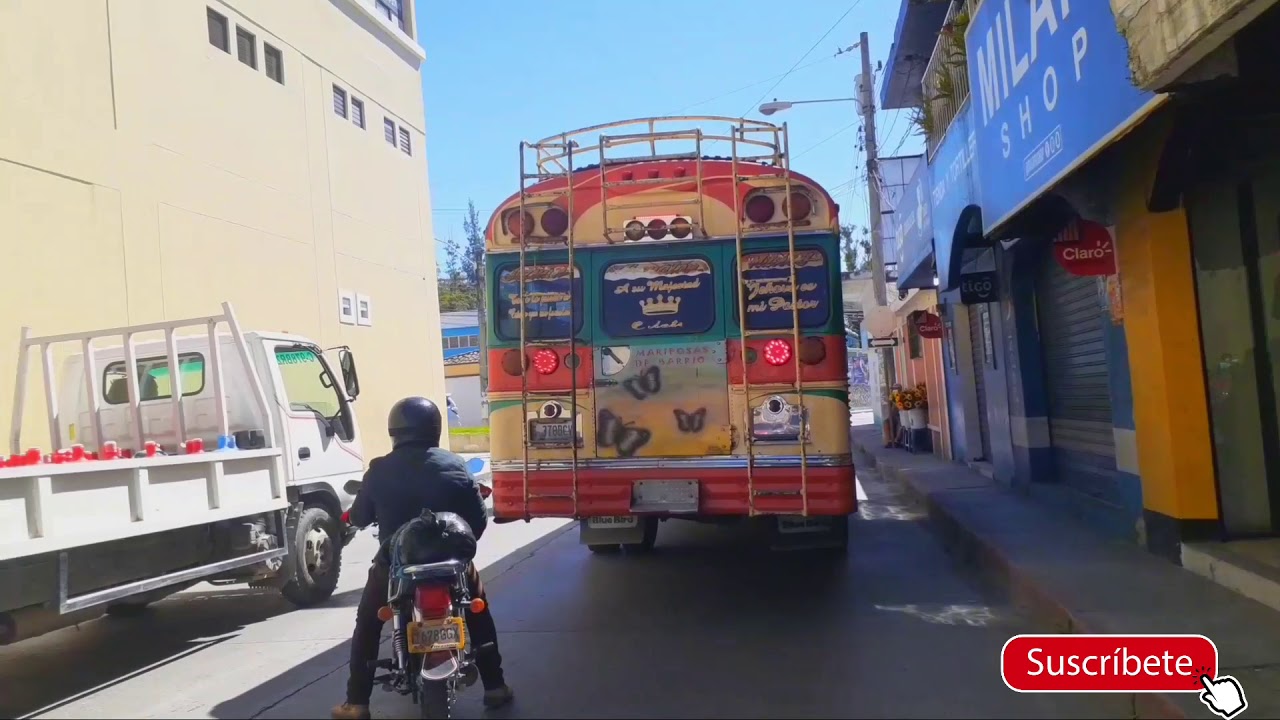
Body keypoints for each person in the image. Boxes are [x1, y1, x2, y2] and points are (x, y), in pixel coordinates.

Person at [331, 396, 514, 720]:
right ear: (435, 429)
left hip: (397, 565)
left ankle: (356, 703)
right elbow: (478, 523)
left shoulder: (379, 470)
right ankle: (494, 687)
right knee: (478, 614)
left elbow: (359, 516)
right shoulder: (455, 465)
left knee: (369, 625)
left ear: (395, 431)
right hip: (450, 564)